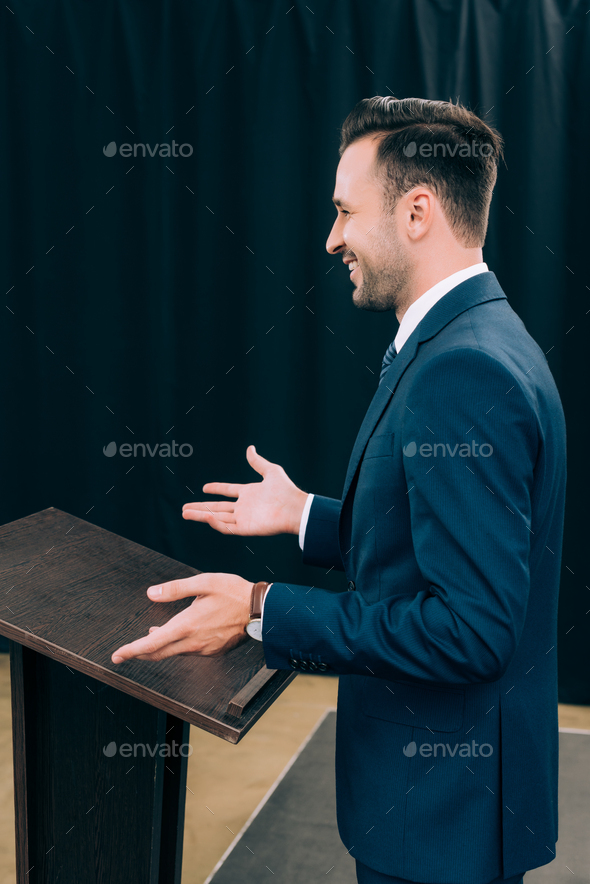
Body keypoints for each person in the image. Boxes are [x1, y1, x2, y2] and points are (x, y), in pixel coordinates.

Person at [112, 96, 566, 884]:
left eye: (344, 212)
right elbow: (443, 547)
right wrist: (308, 518)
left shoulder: (464, 367)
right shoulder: (476, 335)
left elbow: (471, 630)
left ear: (417, 211)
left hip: (440, 823)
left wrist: (261, 608)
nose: (332, 238)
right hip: (449, 810)